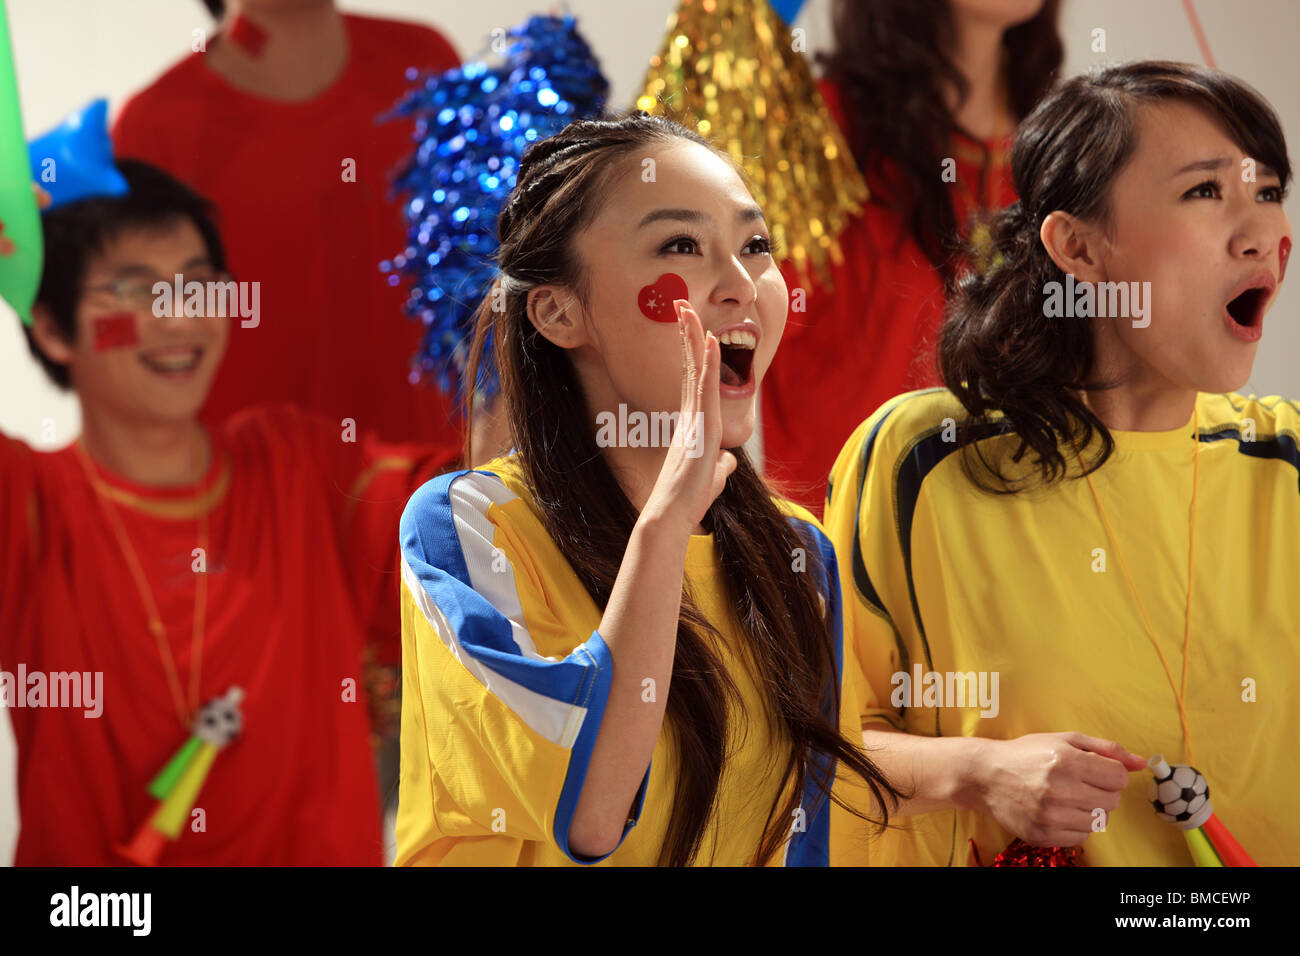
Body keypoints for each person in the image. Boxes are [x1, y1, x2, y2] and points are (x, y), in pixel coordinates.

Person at [395, 111, 902, 866]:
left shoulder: (798, 553)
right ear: (560, 311)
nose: (742, 286)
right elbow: (591, 808)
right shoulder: (469, 526)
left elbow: (808, 842)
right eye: (682, 246)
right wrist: (667, 519)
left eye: (756, 246)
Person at [824, 61, 1298, 866]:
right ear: (1078, 247)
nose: (1263, 233)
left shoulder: (1283, 462)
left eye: (1269, 191)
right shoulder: (922, 460)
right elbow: (811, 744)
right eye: (1206, 192)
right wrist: (977, 772)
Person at [0, 160, 454, 864]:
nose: (179, 316)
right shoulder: (29, 501)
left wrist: (510, 301)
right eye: (135, 290)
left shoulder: (299, 463)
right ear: (55, 329)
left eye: (197, 283)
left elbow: (478, 504)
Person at [112, 0, 464, 460]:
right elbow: (130, 337)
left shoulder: (423, 58)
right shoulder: (155, 128)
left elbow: (482, 269)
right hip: (251, 495)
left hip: (428, 476)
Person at [762, 0, 1061, 512]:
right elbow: (744, 322)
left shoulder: (1058, 146)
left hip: (1013, 534)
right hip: (847, 541)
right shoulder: (821, 132)